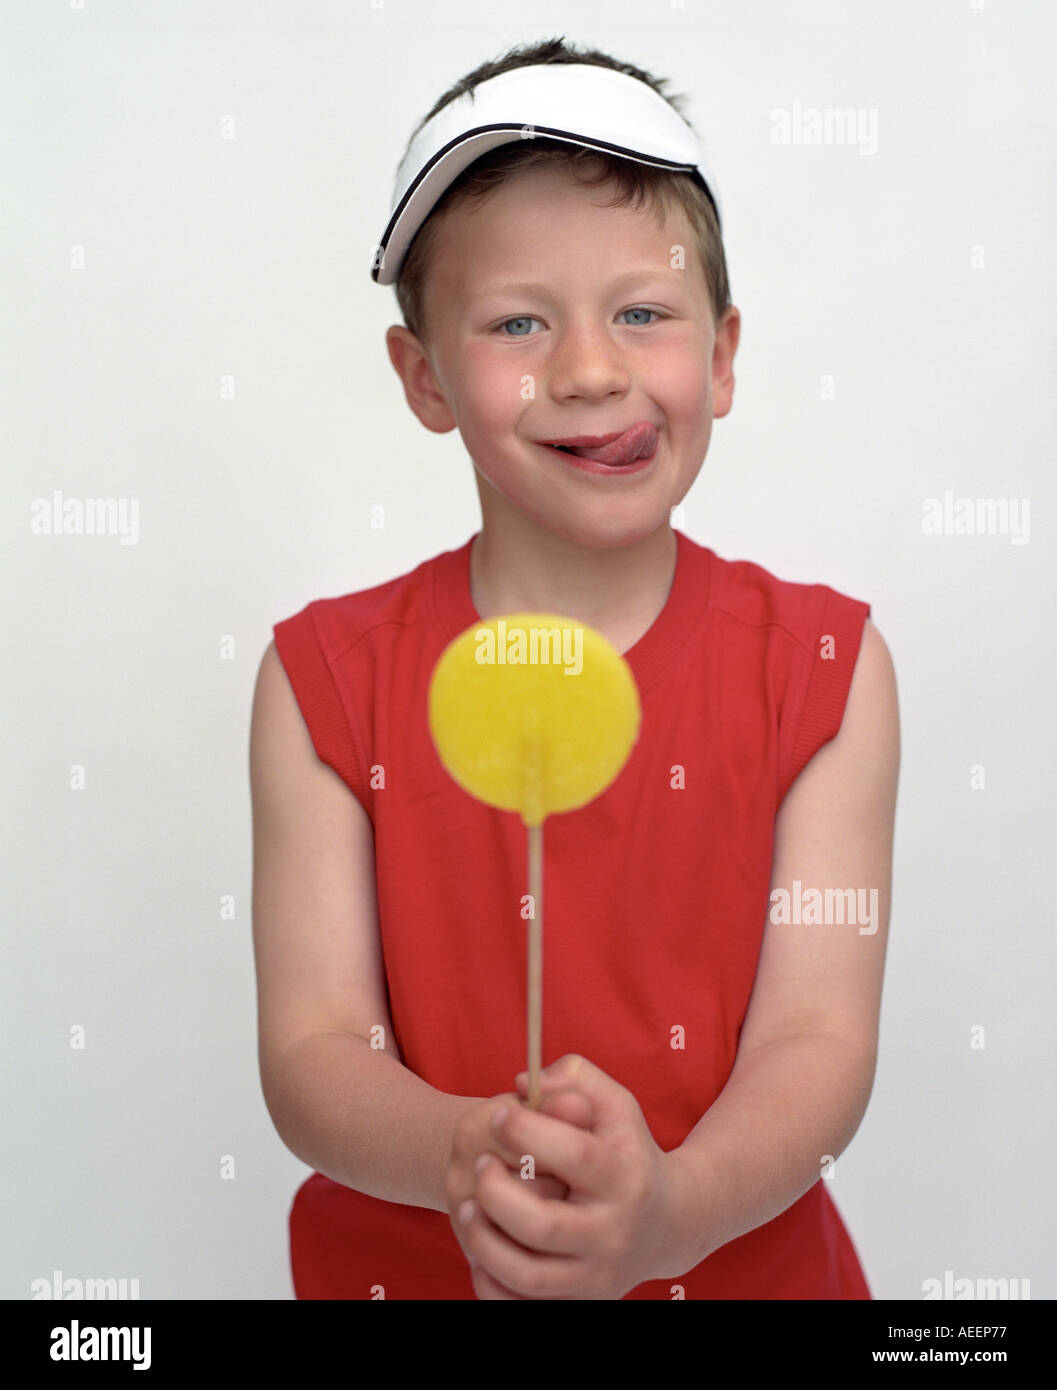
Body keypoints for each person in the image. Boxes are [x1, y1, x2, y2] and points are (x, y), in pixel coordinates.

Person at [249, 36, 900, 1300]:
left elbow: (817, 1044)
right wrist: (469, 1152)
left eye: (643, 312)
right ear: (425, 376)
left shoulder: (826, 670)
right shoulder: (322, 682)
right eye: (516, 322)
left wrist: (675, 1214)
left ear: (719, 354)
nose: (591, 368)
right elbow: (315, 1049)